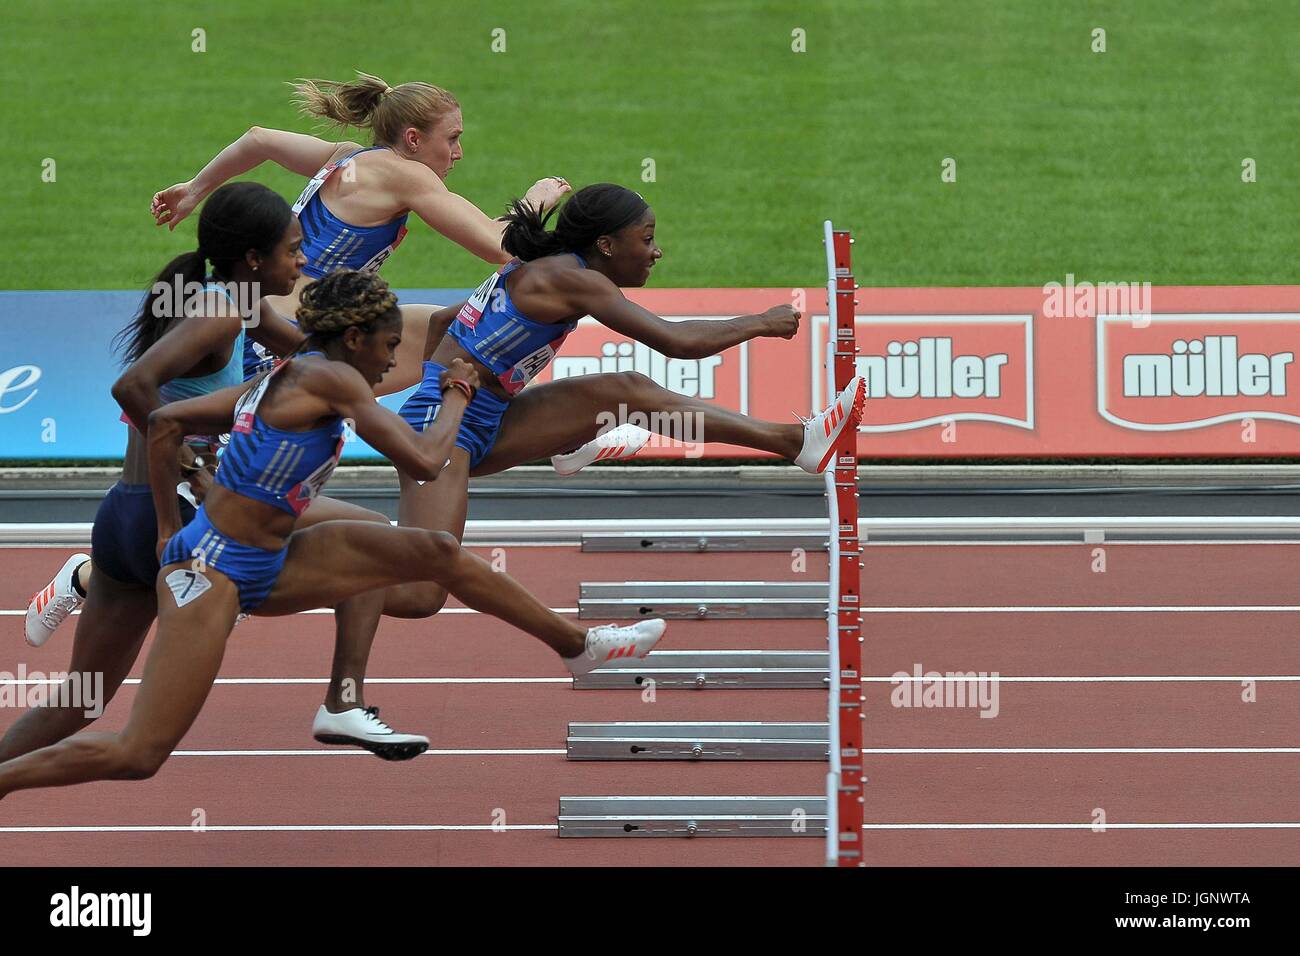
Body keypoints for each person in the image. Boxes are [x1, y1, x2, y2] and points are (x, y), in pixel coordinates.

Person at [0, 269, 663, 801]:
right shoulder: (333, 379)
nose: (393, 359)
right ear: (352, 341)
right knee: (137, 754)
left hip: (271, 558)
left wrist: (169, 530)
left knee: (434, 553)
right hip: (214, 574)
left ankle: (577, 647)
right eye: (385, 345)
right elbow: (426, 460)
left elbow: (167, 420)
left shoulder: (288, 377)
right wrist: (460, 392)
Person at [380, 183, 865, 620]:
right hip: (439, 427)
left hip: (484, 415)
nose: (657, 252)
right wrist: (760, 322)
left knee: (624, 392)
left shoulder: (540, 269)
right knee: (422, 595)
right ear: (606, 245)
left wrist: (457, 378)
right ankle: (320, 573)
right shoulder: (574, 280)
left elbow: (446, 321)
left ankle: (796, 442)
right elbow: (677, 343)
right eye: (647, 238)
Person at [149, 71, 569, 392]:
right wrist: (538, 199)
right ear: (413, 138)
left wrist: (193, 190)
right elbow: (499, 245)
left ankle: (471, 440)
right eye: (453, 138)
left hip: (278, 323)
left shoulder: (348, 156)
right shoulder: (405, 175)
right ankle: (461, 447)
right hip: (289, 339)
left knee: (457, 329)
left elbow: (259, 140)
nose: (458, 153)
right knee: (474, 334)